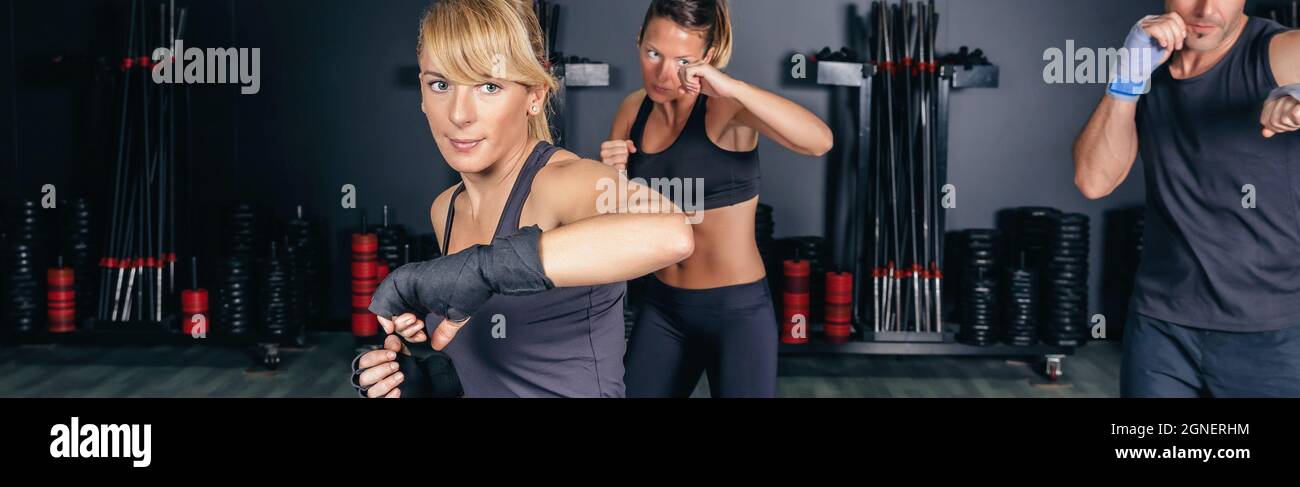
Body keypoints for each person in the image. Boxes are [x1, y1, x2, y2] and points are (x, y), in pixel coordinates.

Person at [353, 0, 694, 398]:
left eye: (489, 86)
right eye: (441, 84)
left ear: (534, 96)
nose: (460, 114)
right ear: (422, 93)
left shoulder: (563, 182)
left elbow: (671, 233)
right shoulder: (446, 208)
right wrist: (425, 382)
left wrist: (483, 268)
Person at [601, 0, 833, 398]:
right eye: (653, 53)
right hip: (662, 307)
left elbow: (819, 142)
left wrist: (733, 86)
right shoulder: (632, 110)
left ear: (706, 59)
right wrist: (611, 176)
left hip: (737, 313)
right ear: (638, 40)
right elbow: (617, 221)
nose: (662, 73)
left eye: (682, 60)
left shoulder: (726, 108)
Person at [1073, 0, 1300, 397]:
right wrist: (1127, 81)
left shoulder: (1281, 51)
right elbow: (1094, 181)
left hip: (1272, 334)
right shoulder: (1149, 55)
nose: (1207, 8)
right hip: (1160, 330)